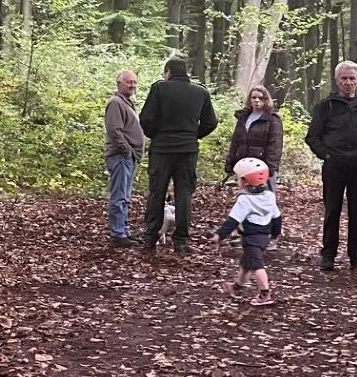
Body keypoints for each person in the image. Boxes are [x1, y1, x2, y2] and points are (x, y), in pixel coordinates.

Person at [306, 61, 357, 272]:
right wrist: (327, 155)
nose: (348, 82)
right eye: (344, 78)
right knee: (333, 210)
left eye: (352, 78)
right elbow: (313, 137)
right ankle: (328, 254)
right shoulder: (326, 106)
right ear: (337, 80)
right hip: (334, 166)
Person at [138, 58, 218, 254]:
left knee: (157, 193)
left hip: (162, 150)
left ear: (168, 72)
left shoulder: (159, 89)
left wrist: (156, 135)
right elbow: (211, 122)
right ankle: (181, 241)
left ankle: (150, 239)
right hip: (188, 150)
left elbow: (146, 118)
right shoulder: (200, 92)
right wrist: (193, 135)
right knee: (184, 194)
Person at [217, 157, 282, 305]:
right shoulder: (269, 195)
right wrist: (275, 234)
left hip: (251, 237)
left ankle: (265, 293)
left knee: (256, 266)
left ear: (245, 181)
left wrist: (220, 235)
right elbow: (277, 217)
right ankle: (236, 287)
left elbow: (233, 220)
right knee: (246, 263)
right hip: (264, 236)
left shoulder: (245, 200)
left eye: (239, 179)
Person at [104, 70, 146, 244]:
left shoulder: (127, 103)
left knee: (125, 196)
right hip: (121, 156)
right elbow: (114, 130)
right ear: (119, 84)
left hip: (129, 157)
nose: (132, 86)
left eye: (135, 82)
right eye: (129, 82)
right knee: (119, 195)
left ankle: (123, 230)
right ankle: (118, 234)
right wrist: (126, 149)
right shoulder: (115, 103)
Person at [224, 85, 284, 182]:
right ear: (250, 99)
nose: (257, 100)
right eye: (254, 97)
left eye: (260, 98)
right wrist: (230, 164)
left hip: (262, 167)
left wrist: (271, 170)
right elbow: (235, 143)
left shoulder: (272, 119)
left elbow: (275, 146)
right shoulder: (243, 117)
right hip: (243, 165)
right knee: (244, 195)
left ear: (266, 99)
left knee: (265, 195)